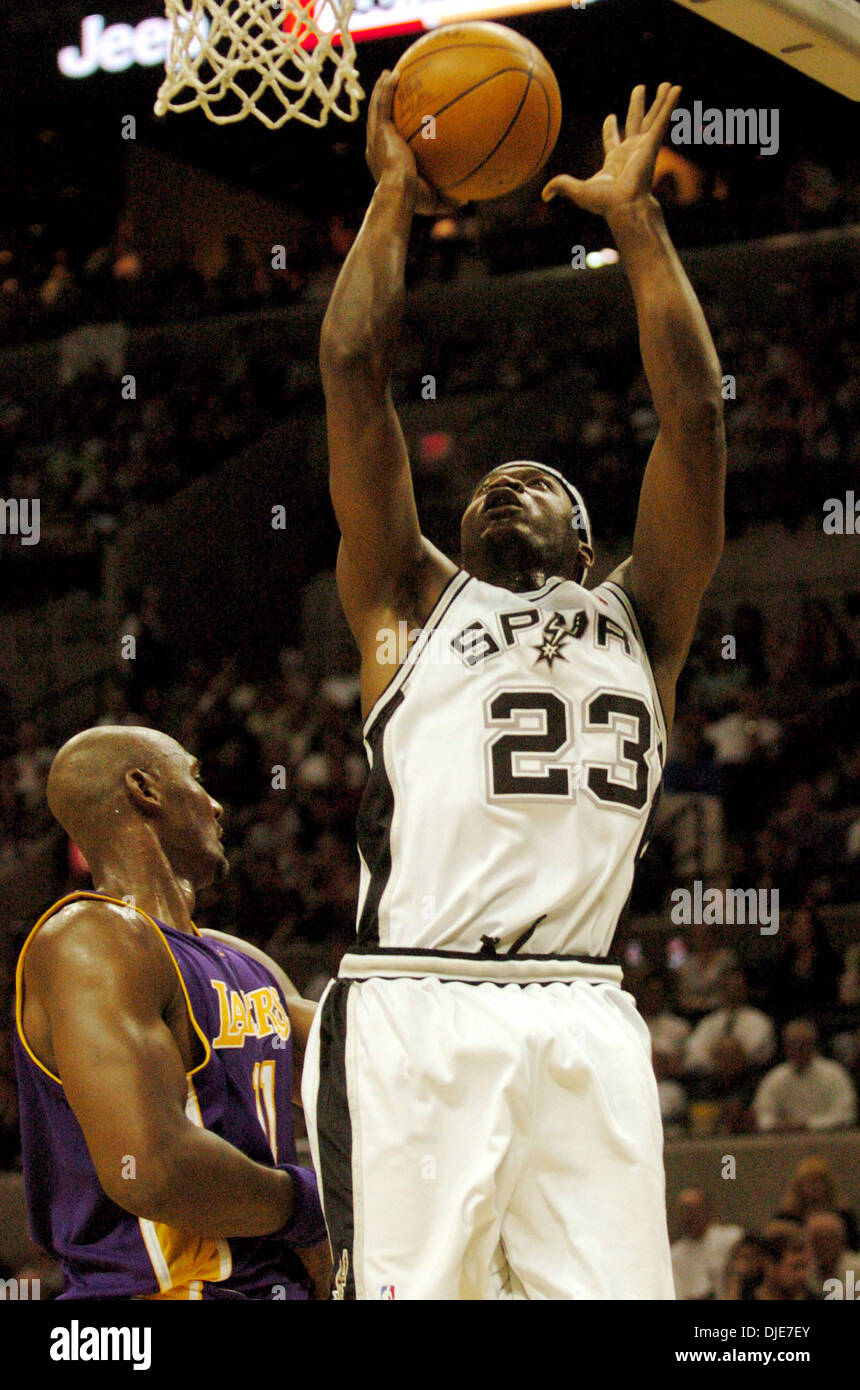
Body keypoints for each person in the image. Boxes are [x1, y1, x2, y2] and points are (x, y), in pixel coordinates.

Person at [303, 73, 726, 1300]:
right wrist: (392, 194)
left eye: (535, 480)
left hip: (584, 1006)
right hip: (417, 999)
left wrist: (636, 222)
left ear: (587, 547)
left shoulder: (639, 625)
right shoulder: (404, 603)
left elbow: (695, 418)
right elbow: (349, 368)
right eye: (483, 481)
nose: (499, 486)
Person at [13, 726, 330, 1300]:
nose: (217, 805)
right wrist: (310, 1211)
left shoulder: (241, 959)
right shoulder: (87, 939)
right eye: (196, 777)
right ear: (144, 788)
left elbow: (369, 1059)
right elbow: (152, 1167)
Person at [752, 1020, 857, 1133]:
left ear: (813, 1045)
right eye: (792, 1045)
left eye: (803, 1045)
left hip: (828, 1140)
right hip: (785, 1142)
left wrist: (808, 1124)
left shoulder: (834, 1073)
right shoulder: (776, 1076)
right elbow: (762, 1113)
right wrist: (775, 1124)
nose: (797, 1050)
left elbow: (846, 1114)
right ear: (785, 1047)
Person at [670, 1190, 743, 1300]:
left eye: (694, 1210)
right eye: (685, 1211)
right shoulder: (674, 1255)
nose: (690, 1216)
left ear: (707, 1210)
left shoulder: (731, 1238)